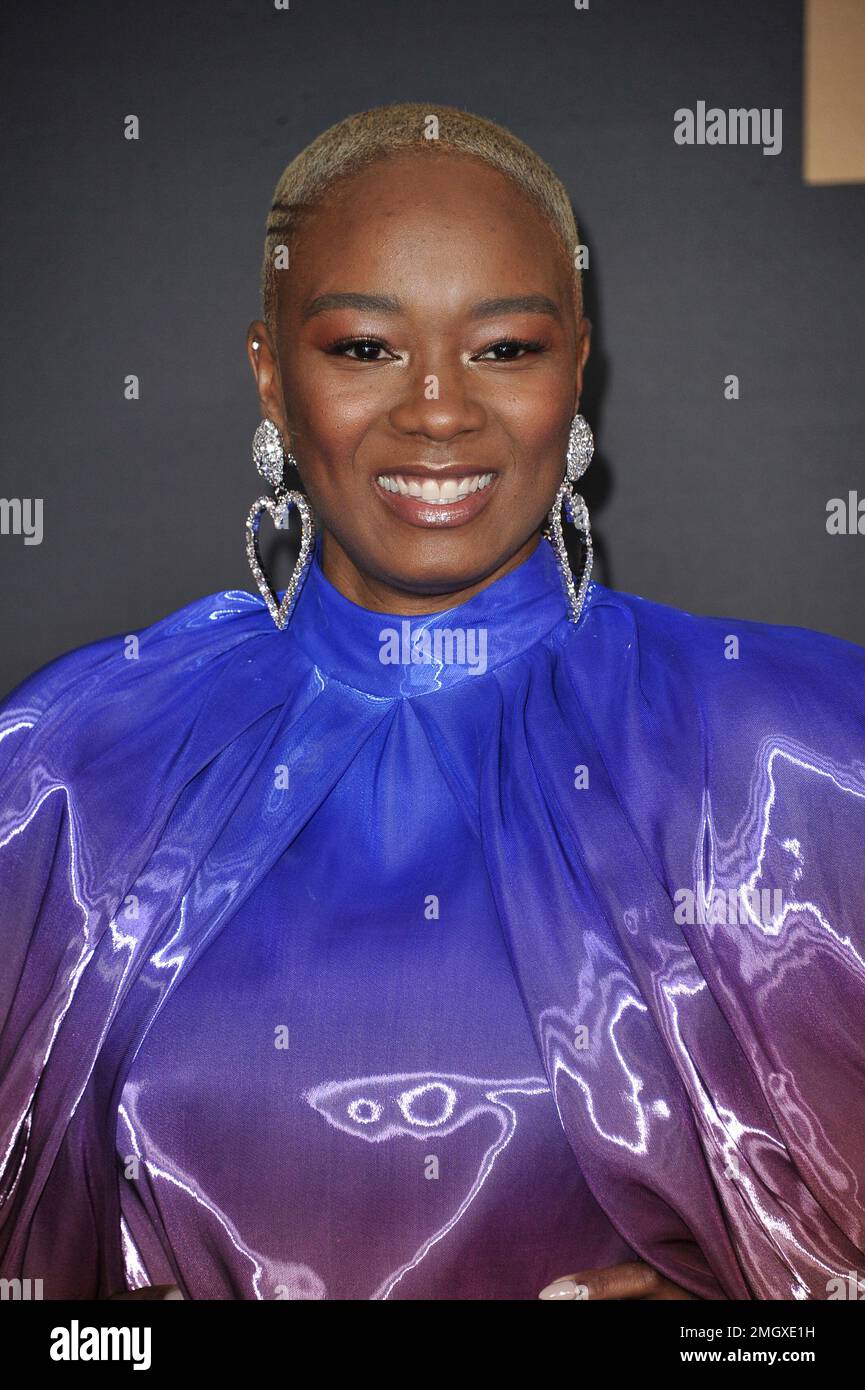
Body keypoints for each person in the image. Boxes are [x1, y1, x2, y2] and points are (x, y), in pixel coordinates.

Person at [1, 102, 864, 1303]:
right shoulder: (68, 763)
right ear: (269, 372)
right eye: (364, 347)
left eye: (504, 348)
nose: (438, 409)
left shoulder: (798, 764)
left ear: (577, 365)